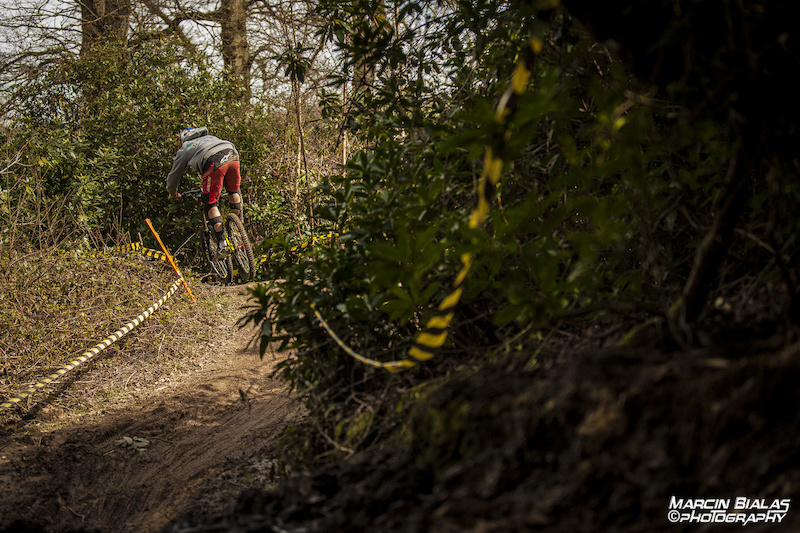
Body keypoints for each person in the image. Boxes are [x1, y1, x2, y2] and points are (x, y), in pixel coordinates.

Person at [166, 126, 244, 260]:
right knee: (233, 191)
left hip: (214, 161)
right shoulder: (210, 138)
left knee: (211, 203)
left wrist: (172, 192)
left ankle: (222, 243)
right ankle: (237, 231)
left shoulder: (186, 147)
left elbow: (174, 176)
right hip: (232, 154)